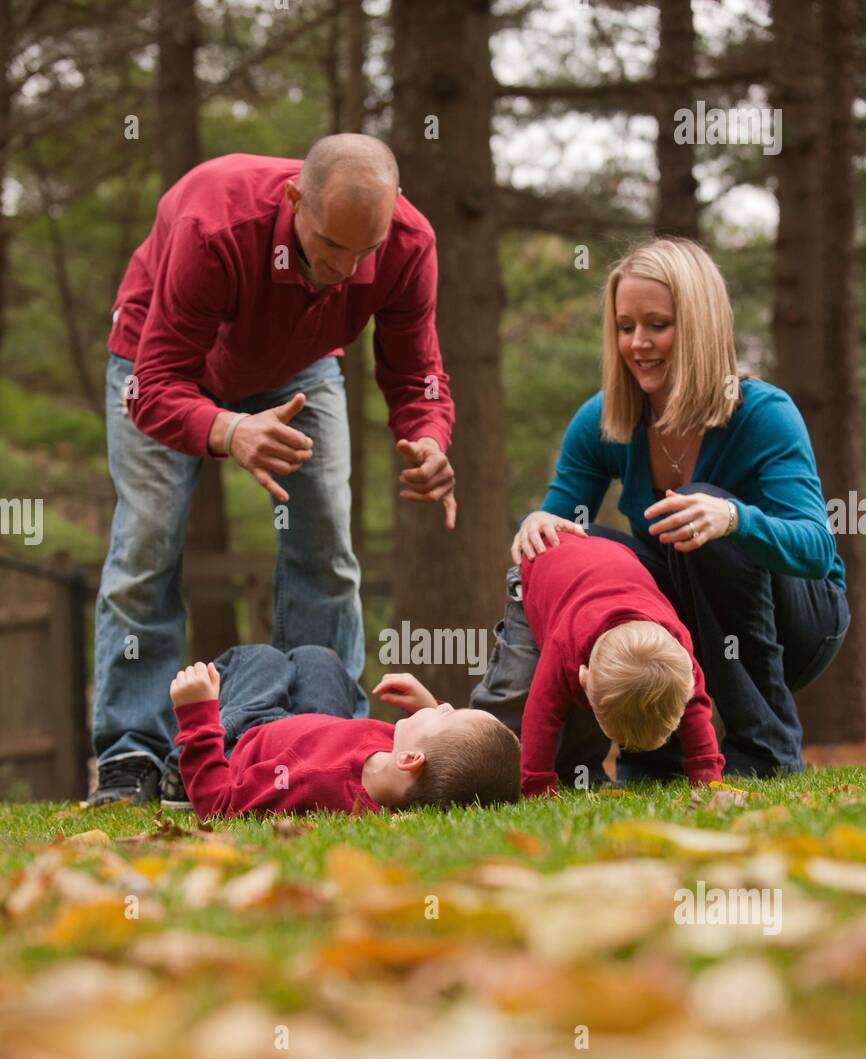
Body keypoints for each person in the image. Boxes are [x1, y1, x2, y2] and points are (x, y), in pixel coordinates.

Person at [90, 134, 456, 809]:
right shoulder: (215, 225)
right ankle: (131, 755)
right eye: (330, 248)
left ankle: (319, 739)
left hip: (299, 363)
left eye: (364, 251)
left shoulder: (409, 244)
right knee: (147, 547)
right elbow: (157, 383)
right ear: (295, 202)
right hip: (165, 362)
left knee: (327, 546)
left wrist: (428, 437)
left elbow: (417, 371)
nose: (348, 271)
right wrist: (229, 430)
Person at [478, 237, 848, 781]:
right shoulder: (606, 418)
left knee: (706, 511)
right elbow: (559, 529)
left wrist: (734, 520)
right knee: (587, 545)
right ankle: (648, 751)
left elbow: (818, 550)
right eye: (626, 327)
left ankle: (765, 750)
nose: (638, 344)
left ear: (698, 327)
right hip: (687, 613)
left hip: (799, 623)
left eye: (657, 325)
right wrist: (537, 523)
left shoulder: (765, 415)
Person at [170, 647, 520, 819]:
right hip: (315, 729)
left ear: (410, 759)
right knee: (319, 658)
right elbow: (447, 751)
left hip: (252, 737)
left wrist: (197, 718)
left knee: (262, 660)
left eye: (448, 713)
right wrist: (424, 706)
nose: (444, 705)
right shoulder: (401, 771)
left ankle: (177, 762)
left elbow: (220, 806)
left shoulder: (313, 780)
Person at [517, 533, 723, 794]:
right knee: (514, 687)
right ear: (583, 676)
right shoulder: (563, 646)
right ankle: (475, 747)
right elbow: (541, 715)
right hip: (540, 564)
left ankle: (577, 772)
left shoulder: (679, 655)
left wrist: (707, 776)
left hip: (613, 559)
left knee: (580, 719)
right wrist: (537, 786)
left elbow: (696, 709)